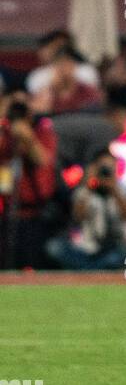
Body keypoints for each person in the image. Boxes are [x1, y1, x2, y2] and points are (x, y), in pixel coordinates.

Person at [45, 149, 126, 271]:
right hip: (87, 247)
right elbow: (77, 217)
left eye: (109, 169)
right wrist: (88, 185)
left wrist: (114, 190)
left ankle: (90, 271)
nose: (105, 173)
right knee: (55, 248)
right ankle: (95, 270)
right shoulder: (84, 191)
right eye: (102, 169)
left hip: (116, 246)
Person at [0, 92, 58, 269]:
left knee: (32, 268)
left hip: (35, 214)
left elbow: (43, 161)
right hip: (6, 213)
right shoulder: (4, 134)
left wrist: (27, 137)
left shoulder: (42, 132)